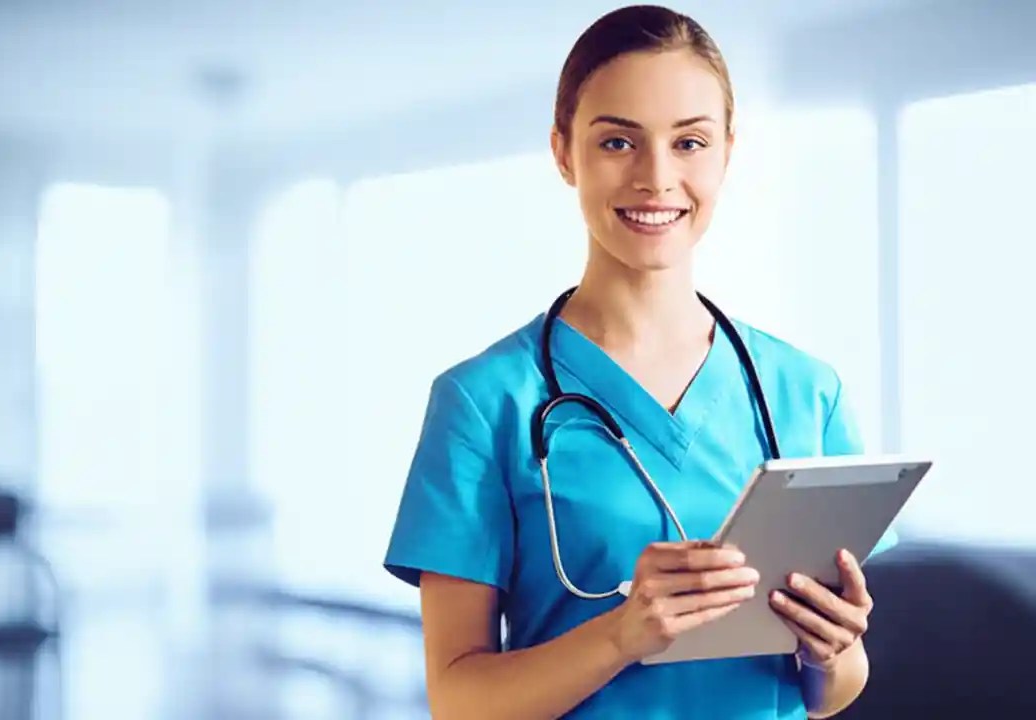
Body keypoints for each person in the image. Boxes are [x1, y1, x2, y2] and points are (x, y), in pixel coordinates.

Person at [382, 5, 897, 719]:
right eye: (619, 141)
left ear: (726, 153)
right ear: (564, 153)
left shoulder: (807, 393)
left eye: (689, 143)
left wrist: (831, 650)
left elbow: (829, 693)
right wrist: (623, 636)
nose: (657, 178)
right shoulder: (483, 403)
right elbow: (459, 700)